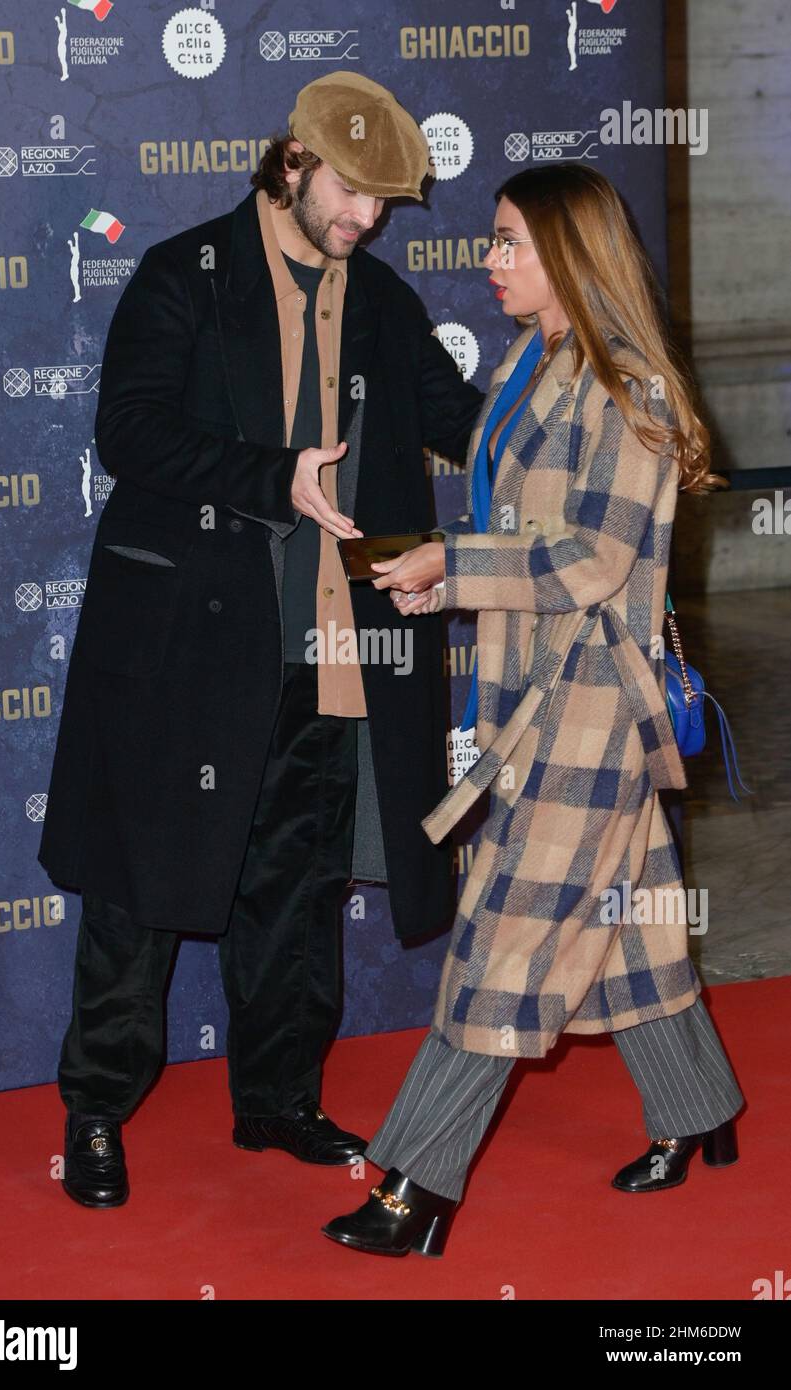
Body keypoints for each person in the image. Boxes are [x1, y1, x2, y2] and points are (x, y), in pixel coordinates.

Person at [37, 71, 483, 1207]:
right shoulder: (183, 273)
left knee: (295, 887)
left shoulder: (378, 299)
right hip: (187, 642)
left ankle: (277, 1102)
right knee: (142, 888)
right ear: (291, 165)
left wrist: (578, 407)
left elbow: (462, 419)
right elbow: (128, 431)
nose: (367, 219)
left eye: (384, 203)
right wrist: (271, 477)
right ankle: (95, 1109)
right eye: (352, 192)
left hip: (330, 647)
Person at [322, 163, 745, 1258]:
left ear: (569, 251)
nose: (491, 259)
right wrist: (432, 560)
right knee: (635, 930)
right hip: (530, 692)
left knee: (499, 947)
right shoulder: (534, 359)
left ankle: (414, 1187)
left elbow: (593, 557)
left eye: (510, 240)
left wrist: (446, 564)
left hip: (589, 707)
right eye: (494, 240)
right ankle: (701, 1110)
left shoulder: (628, 388)